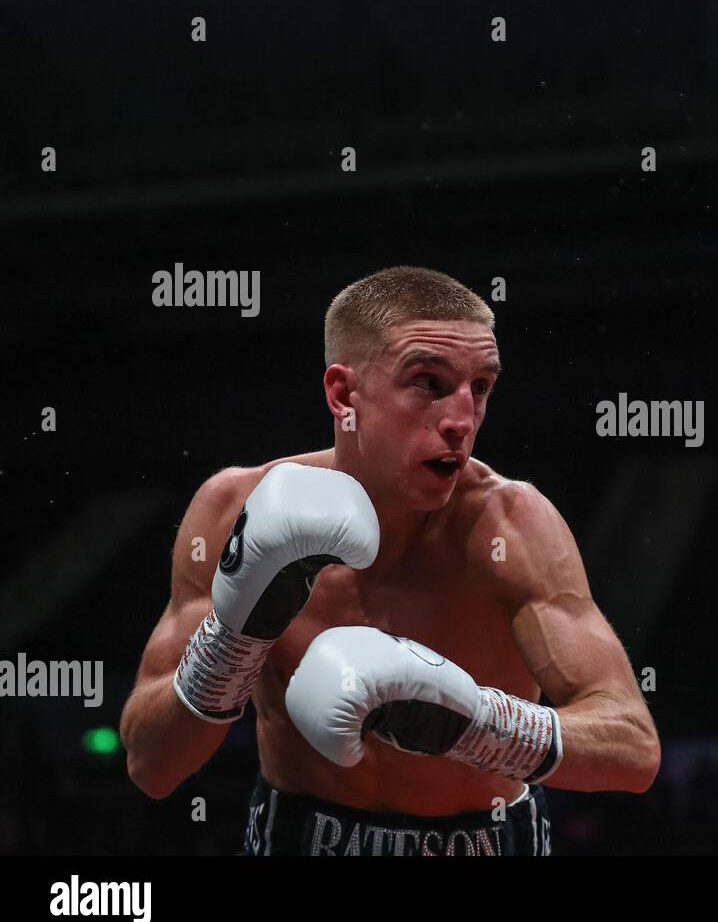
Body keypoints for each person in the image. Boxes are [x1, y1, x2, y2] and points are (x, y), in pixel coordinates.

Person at [121, 266, 660, 855]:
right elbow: (152, 764)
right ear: (343, 394)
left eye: (480, 387)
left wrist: (477, 725)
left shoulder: (511, 528)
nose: (461, 420)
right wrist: (232, 643)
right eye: (429, 382)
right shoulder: (234, 508)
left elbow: (632, 751)